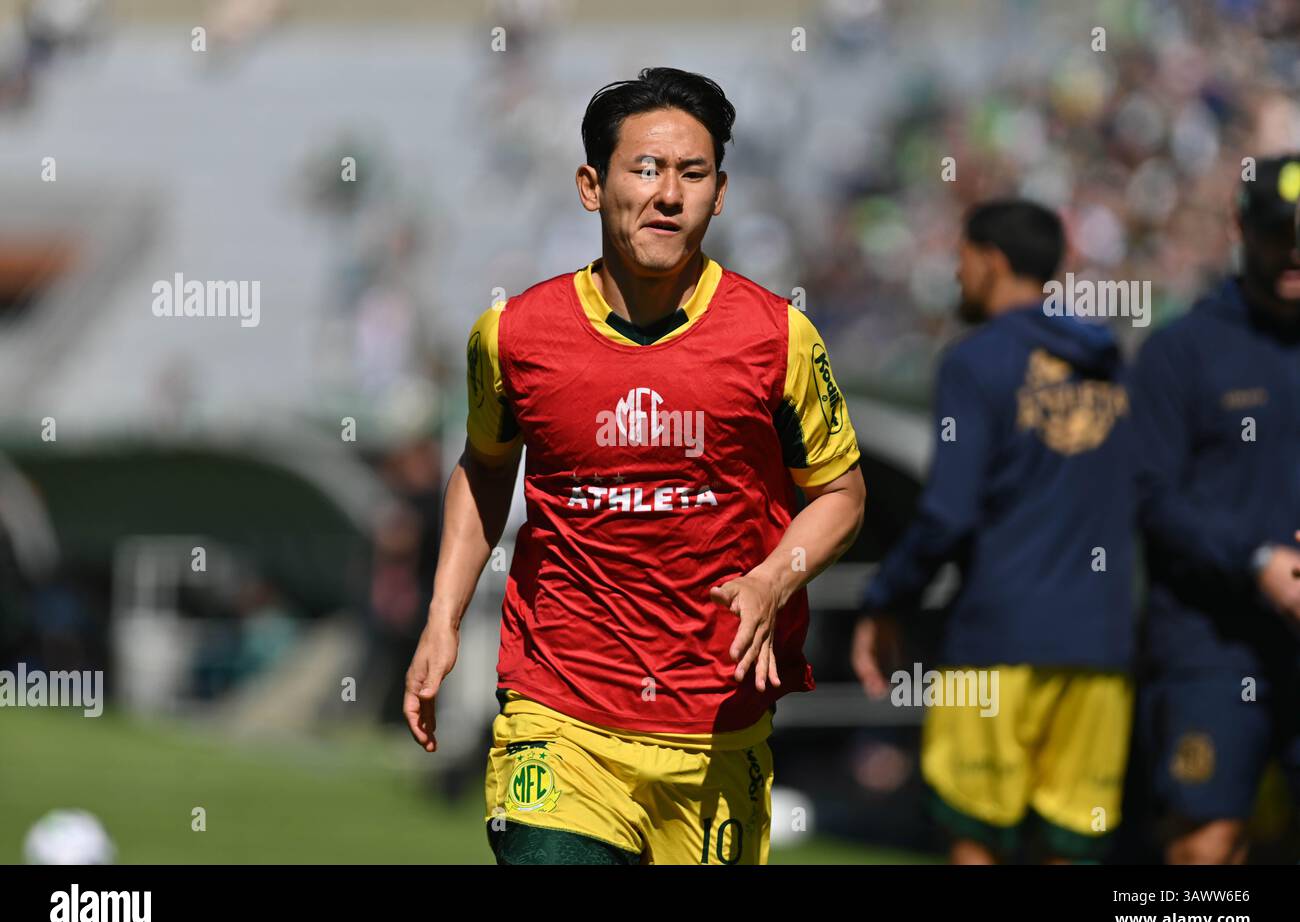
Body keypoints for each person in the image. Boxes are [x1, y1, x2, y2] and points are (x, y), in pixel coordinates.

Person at [403, 67, 865, 865]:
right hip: (558, 709)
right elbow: (484, 471)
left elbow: (842, 494)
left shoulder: (779, 338)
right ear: (592, 185)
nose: (668, 194)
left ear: (720, 193)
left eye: (693, 174)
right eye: (645, 169)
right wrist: (443, 617)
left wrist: (772, 578)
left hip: (715, 720)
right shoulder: (512, 336)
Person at [852, 199, 1136, 863]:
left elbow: (948, 512)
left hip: (997, 643)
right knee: (1072, 841)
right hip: (1099, 646)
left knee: (974, 834)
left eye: (961, 260)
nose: (956, 277)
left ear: (993, 261)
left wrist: (887, 596)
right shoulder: (1112, 365)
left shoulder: (974, 362)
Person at [1131, 155, 1300, 865]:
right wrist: (1259, 561)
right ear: (1240, 227)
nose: (1294, 250)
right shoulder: (1182, 351)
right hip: (1211, 643)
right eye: (1277, 232)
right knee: (1207, 841)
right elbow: (1149, 492)